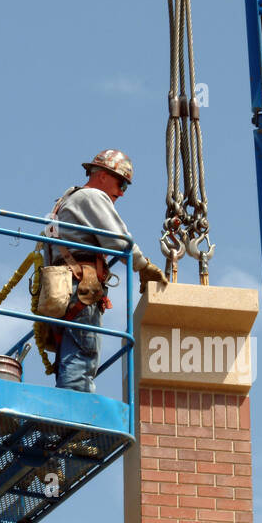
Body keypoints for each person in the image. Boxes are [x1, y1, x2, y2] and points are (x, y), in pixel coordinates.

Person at [43, 149, 168, 392]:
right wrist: (143, 266)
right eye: (121, 183)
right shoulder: (91, 197)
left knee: (71, 356)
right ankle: (75, 418)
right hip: (79, 286)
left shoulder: (68, 199)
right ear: (102, 175)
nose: (121, 192)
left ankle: (66, 419)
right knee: (82, 355)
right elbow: (119, 241)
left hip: (61, 288)